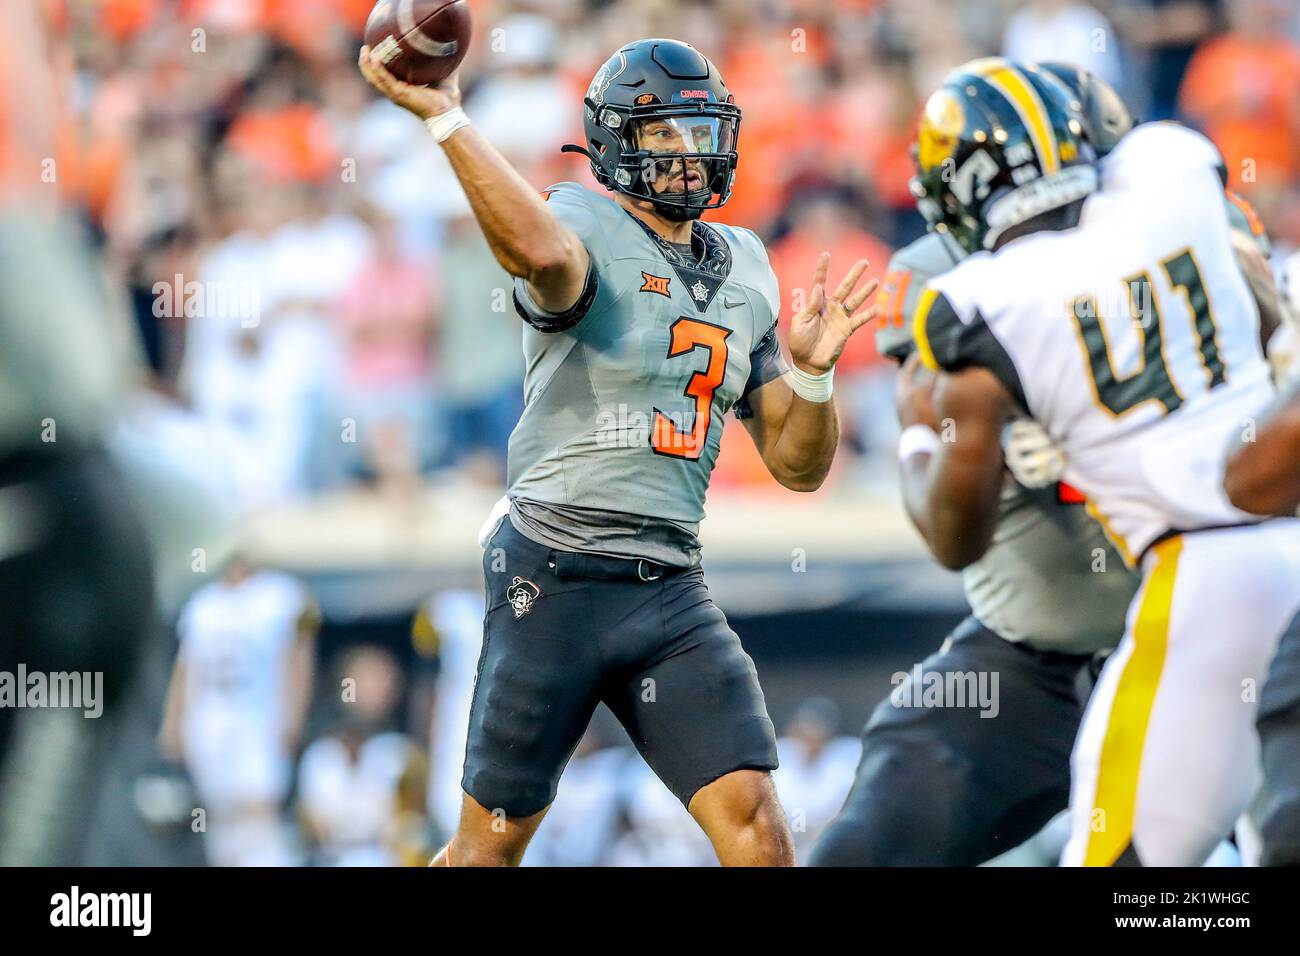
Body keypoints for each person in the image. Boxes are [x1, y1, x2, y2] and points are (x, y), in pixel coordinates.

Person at [358, 37, 880, 866]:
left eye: (699, 132)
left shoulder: (745, 263)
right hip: (554, 567)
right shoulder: (578, 219)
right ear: (612, 144)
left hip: (668, 583)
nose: (688, 154)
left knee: (757, 827)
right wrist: (446, 115)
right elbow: (543, 255)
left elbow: (798, 465)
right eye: (664, 136)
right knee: (487, 848)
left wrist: (813, 377)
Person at [896, 57, 1300, 866]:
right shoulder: (1173, 171)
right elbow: (1258, 310)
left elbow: (954, 539)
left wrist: (916, 440)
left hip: (1201, 575)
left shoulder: (975, 306)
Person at [812, 63, 1141, 867]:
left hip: (1185, 629)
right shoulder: (940, 282)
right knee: (863, 848)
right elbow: (952, 531)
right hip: (1031, 653)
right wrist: (931, 434)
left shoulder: (1156, 235)